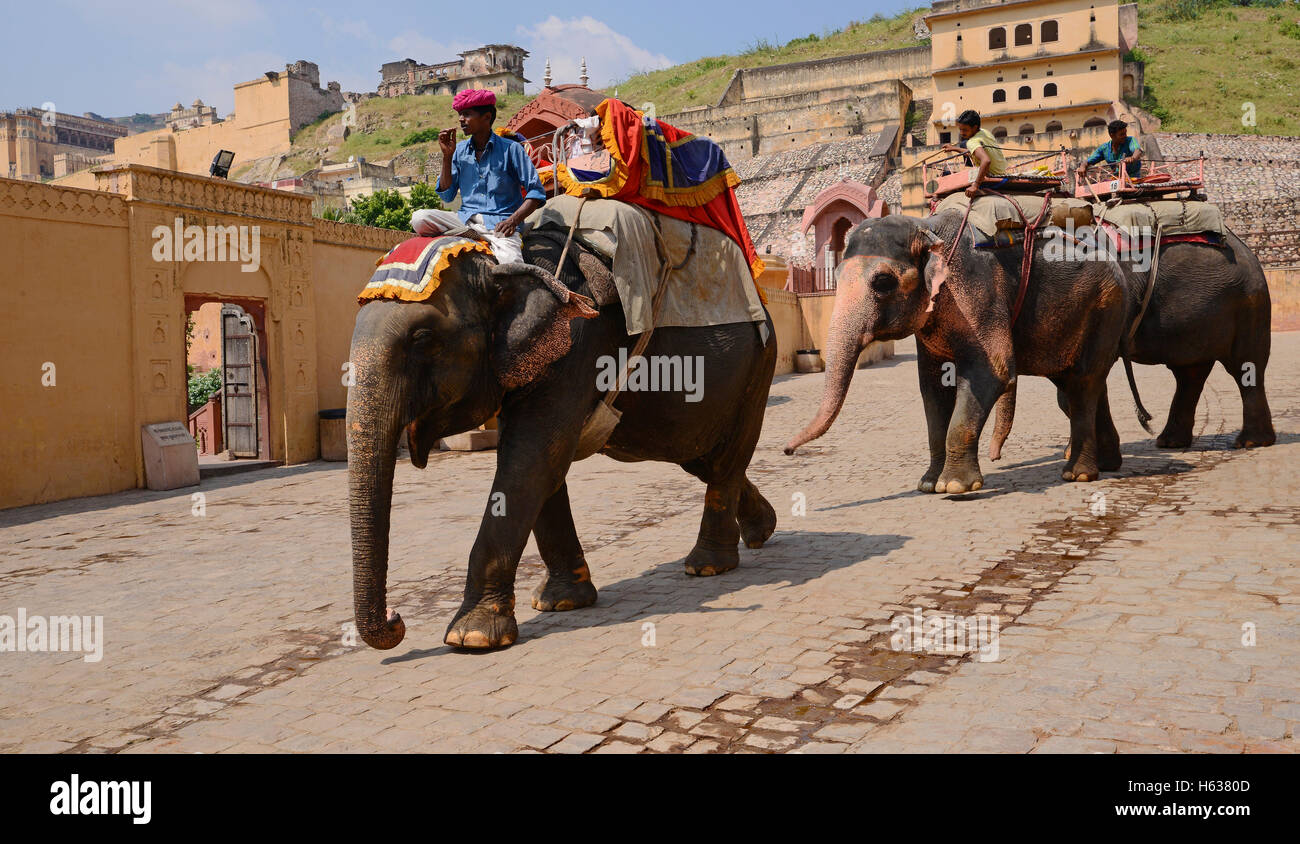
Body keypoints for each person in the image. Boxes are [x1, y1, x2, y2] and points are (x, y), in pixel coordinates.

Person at [410, 89, 546, 263]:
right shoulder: (458, 151)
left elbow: (536, 192)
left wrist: (513, 221)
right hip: (465, 222)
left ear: (487, 117)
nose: (461, 119)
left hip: (500, 225)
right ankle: (471, 235)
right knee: (419, 218)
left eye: (467, 114)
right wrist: (447, 156)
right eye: (460, 114)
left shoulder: (512, 149)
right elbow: (447, 194)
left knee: (511, 263)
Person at [941, 110, 1008, 198]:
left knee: (945, 175)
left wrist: (975, 185)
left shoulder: (972, 142)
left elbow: (986, 160)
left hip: (991, 178)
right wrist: (954, 148)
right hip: (1002, 174)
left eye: (965, 130)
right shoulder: (985, 132)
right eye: (960, 129)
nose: (961, 133)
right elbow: (974, 153)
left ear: (974, 127)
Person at [1078, 119, 1143, 182]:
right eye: (1121, 134)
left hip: (1134, 179)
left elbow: (1137, 150)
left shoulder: (1130, 140)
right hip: (1116, 179)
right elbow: (1089, 160)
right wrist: (1083, 166)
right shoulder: (1104, 148)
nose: (1125, 136)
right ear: (1112, 135)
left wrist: (1132, 158)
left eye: (1125, 133)